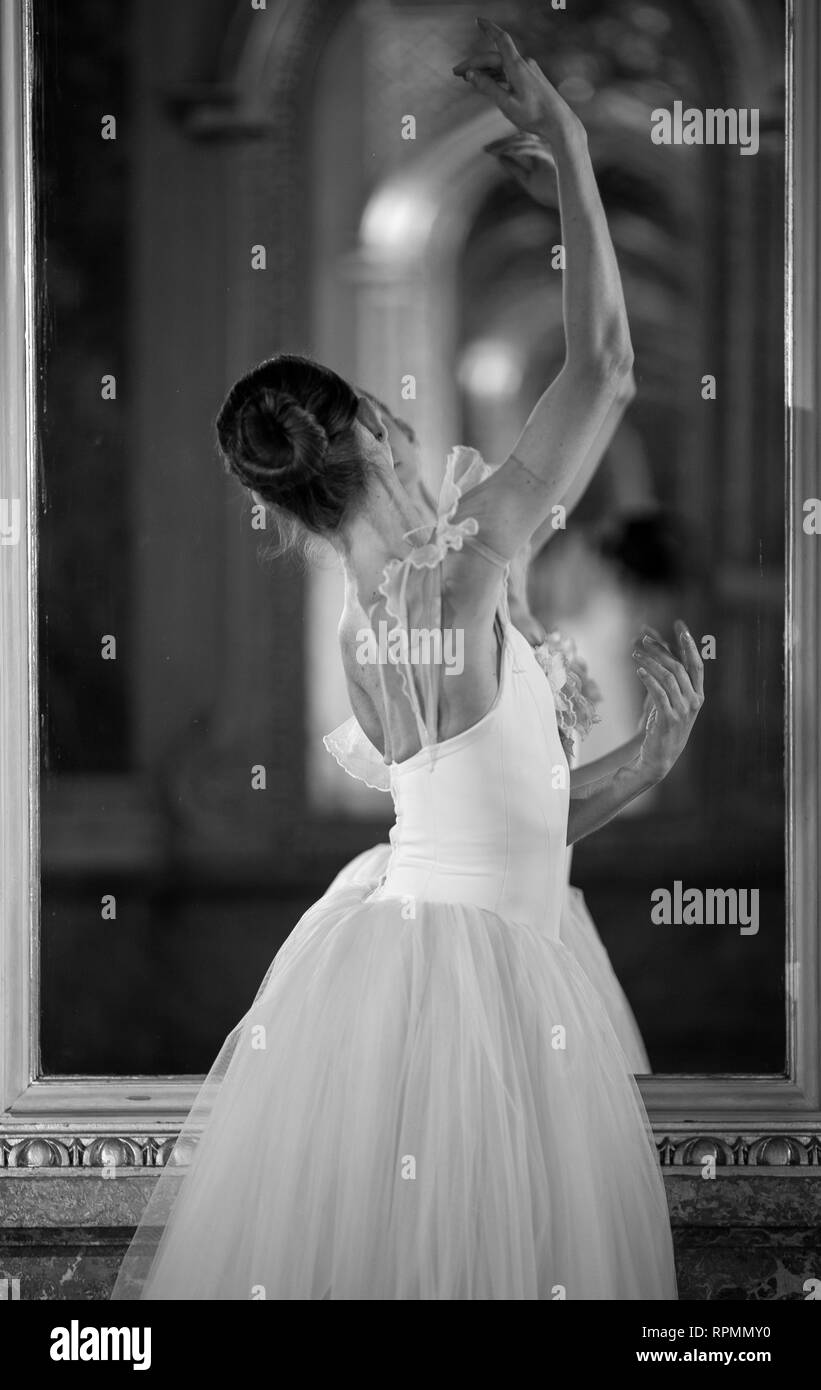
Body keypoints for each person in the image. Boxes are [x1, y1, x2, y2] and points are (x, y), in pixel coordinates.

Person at [112, 21, 703, 1300]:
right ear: (376, 432)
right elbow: (603, 368)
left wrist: (629, 770)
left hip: (397, 978)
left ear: (286, 505)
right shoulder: (472, 560)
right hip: (502, 1000)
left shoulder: (355, 630)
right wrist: (566, 147)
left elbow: (491, 832)